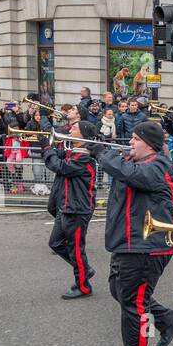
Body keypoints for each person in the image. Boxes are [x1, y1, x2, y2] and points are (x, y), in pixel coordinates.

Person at [98, 120, 173, 346]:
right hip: (129, 243)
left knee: (134, 304)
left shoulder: (158, 166)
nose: (130, 143)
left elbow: (133, 176)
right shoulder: (136, 164)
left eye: (135, 139)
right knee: (120, 291)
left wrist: (101, 152)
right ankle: (166, 319)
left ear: (150, 144)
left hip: (147, 247)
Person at [44, 121, 99, 299]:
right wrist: (48, 146)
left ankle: (83, 286)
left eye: (74, 128)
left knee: (76, 250)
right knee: (55, 243)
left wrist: (47, 149)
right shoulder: (74, 151)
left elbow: (59, 166)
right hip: (67, 206)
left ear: (82, 136)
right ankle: (84, 268)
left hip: (77, 208)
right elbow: (58, 155)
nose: (70, 129)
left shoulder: (85, 157)